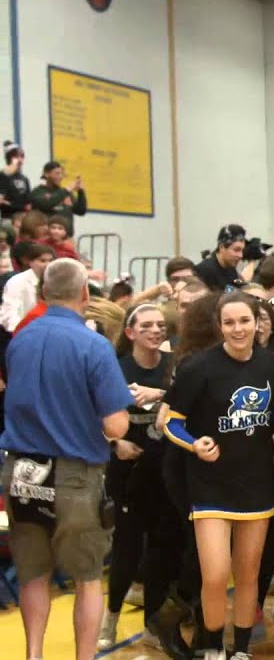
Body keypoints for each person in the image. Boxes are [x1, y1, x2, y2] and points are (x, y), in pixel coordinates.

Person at [0, 258, 133, 660]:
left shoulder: (20, 339)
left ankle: (33, 655)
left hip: (21, 470)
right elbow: (117, 426)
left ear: (42, 293)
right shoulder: (92, 344)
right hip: (74, 474)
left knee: (32, 576)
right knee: (89, 578)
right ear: (86, 294)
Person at [162, 291, 274, 660]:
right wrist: (194, 444)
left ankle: (239, 650)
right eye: (229, 322)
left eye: (244, 321)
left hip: (256, 483)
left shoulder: (273, 364)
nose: (238, 329)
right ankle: (211, 646)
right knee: (214, 574)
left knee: (248, 575)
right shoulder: (198, 368)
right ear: (219, 326)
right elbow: (171, 424)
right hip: (209, 485)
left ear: (258, 323)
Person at [98, 304, 181, 651]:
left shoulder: (173, 366)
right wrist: (115, 442)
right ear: (130, 332)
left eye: (160, 325)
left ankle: (153, 623)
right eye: (146, 325)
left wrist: (161, 395)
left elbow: (188, 400)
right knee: (127, 547)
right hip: (127, 468)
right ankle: (111, 618)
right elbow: (94, 413)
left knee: (162, 548)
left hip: (165, 466)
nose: (156, 331)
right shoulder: (116, 369)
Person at [0, 242, 54, 332]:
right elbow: (9, 314)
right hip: (20, 332)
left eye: (50, 260)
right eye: (42, 261)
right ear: (31, 262)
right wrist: (24, 331)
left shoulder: (55, 281)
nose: (48, 264)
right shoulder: (16, 282)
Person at [194, 226, 248, 293]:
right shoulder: (204, 271)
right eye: (236, 250)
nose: (241, 255)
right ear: (222, 247)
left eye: (242, 251)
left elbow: (232, 292)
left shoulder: (231, 269)